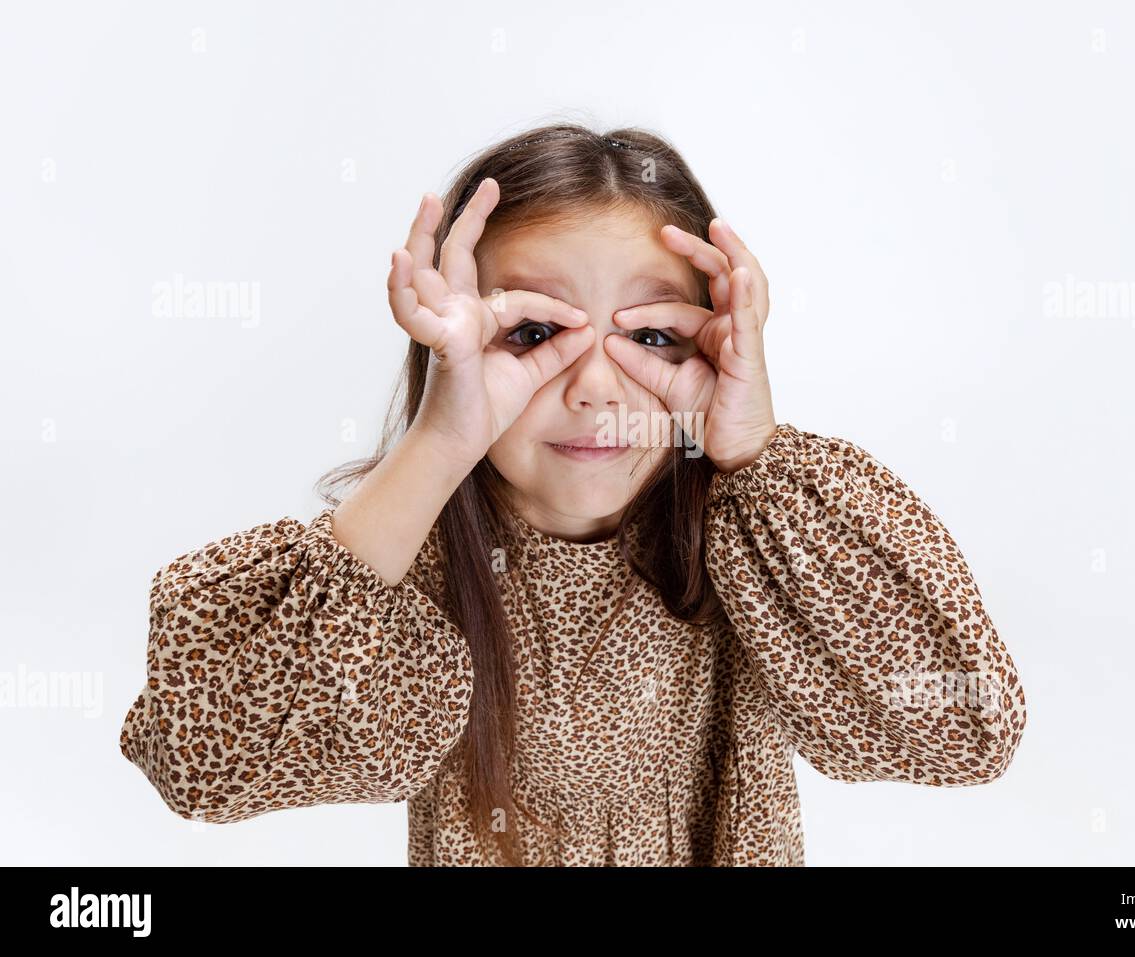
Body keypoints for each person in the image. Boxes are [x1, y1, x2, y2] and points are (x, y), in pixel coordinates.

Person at [118, 123, 1028, 866]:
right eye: (534, 331)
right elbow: (201, 762)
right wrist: (441, 439)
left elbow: (967, 729)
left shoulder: (754, 547)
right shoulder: (412, 565)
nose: (596, 387)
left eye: (655, 338)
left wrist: (752, 448)